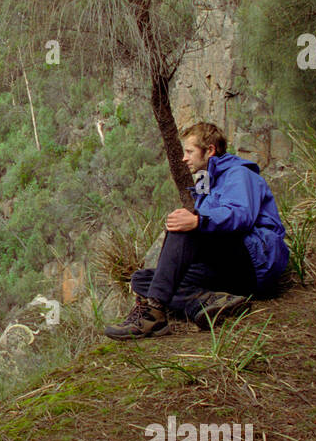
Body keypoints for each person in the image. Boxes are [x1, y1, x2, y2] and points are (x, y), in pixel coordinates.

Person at [104, 121, 290, 340]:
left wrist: (198, 221)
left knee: (186, 227)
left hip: (256, 263)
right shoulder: (208, 182)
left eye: (190, 151)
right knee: (141, 280)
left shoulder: (238, 175)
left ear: (209, 150)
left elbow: (242, 216)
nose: (184, 158)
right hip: (228, 266)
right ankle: (211, 301)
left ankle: (154, 314)